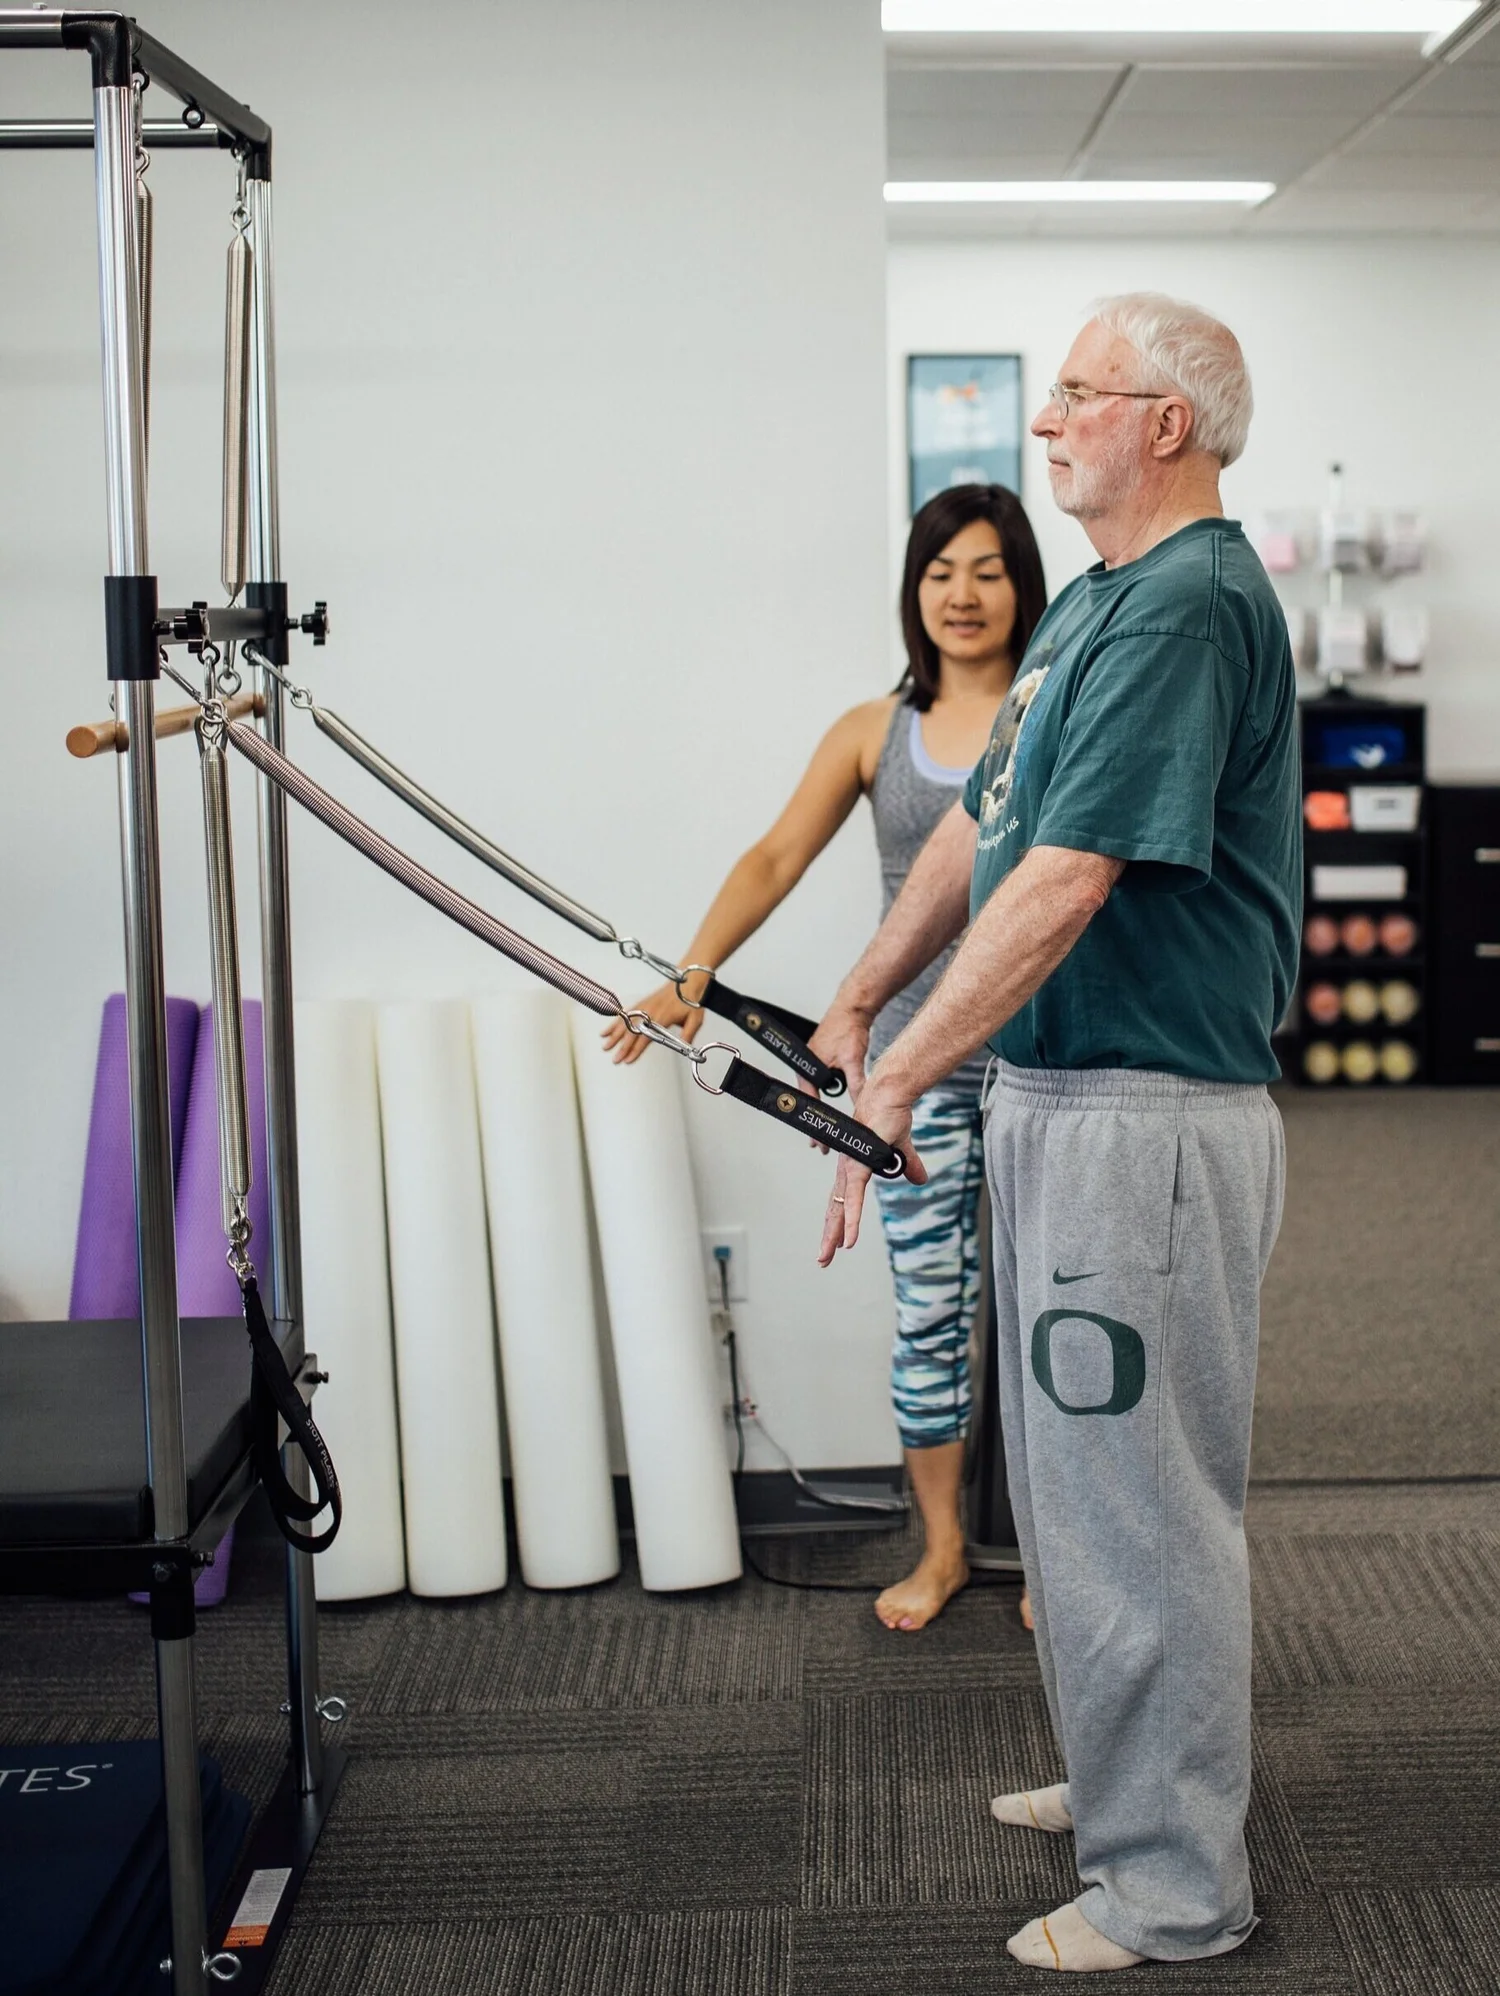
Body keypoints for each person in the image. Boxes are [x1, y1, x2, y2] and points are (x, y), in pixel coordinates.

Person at [811, 294, 1299, 1972]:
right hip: (1061, 1104)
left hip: (1144, 1119)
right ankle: (1125, 1784)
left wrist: (889, 1089)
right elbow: (981, 830)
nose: (1047, 427)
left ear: (1167, 424)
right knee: (1081, 1499)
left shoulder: (1190, 609)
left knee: (1140, 1505)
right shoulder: (1100, 601)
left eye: (1078, 397)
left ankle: (1174, 1888)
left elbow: (1071, 883)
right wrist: (867, 1006)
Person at [601, 484, 1047, 1633]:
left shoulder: (1058, 713)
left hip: (1053, 1062)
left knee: (1051, 1316)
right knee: (932, 1316)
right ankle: (944, 1548)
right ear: (914, 588)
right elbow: (772, 855)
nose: (962, 592)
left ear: (1023, 583)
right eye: (942, 569)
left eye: (988, 569)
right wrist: (696, 976)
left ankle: (1059, 1557)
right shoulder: (872, 732)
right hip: (913, 1076)